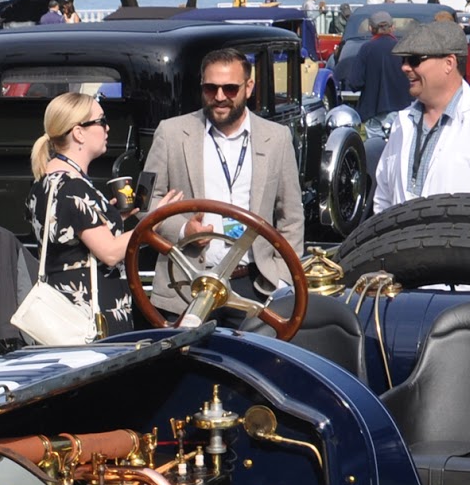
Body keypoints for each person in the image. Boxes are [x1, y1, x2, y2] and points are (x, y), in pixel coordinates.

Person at [143, 46, 304, 316]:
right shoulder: (171, 133)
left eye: (230, 89)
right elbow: (147, 203)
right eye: (210, 88)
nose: (219, 97)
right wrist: (184, 232)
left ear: (248, 87)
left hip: (255, 286)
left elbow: (291, 214)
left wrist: (283, 278)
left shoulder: (277, 138)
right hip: (186, 286)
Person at [28, 94, 166, 334]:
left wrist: (113, 217)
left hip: (63, 311)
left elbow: (70, 239)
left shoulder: (44, 183)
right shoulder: (73, 188)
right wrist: (157, 220)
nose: (107, 127)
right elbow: (110, 252)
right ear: (79, 133)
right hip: (92, 317)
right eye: (101, 121)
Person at [371, 18, 470, 211]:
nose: (405, 67)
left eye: (414, 60)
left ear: (449, 63)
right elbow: (383, 199)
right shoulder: (401, 123)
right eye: (403, 60)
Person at [338, 10, 408, 118]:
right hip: (401, 110)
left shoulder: (366, 49)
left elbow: (355, 83)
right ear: (392, 27)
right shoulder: (402, 48)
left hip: (372, 111)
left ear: (370, 29)